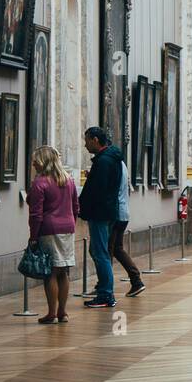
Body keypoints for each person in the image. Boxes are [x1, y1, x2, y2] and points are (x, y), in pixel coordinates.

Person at [26, 145, 80, 323]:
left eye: (36, 159)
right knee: (63, 271)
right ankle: (62, 312)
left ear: (44, 160)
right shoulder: (68, 180)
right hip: (67, 228)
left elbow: (36, 214)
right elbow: (75, 207)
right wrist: (71, 223)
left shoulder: (40, 183)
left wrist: (33, 236)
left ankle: (51, 313)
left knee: (50, 272)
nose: (33, 162)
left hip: (49, 230)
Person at [78, 126, 123, 309]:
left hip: (100, 212)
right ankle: (104, 289)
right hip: (107, 210)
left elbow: (99, 190)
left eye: (87, 140)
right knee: (98, 251)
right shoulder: (110, 159)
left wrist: (84, 205)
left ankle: (105, 294)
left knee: (101, 253)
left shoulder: (104, 161)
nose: (85, 144)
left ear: (96, 140)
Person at [110, 157, 145, 298]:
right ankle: (136, 280)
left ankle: (104, 287)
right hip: (123, 212)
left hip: (115, 213)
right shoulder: (121, 163)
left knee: (106, 251)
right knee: (117, 249)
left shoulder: (111, 163)